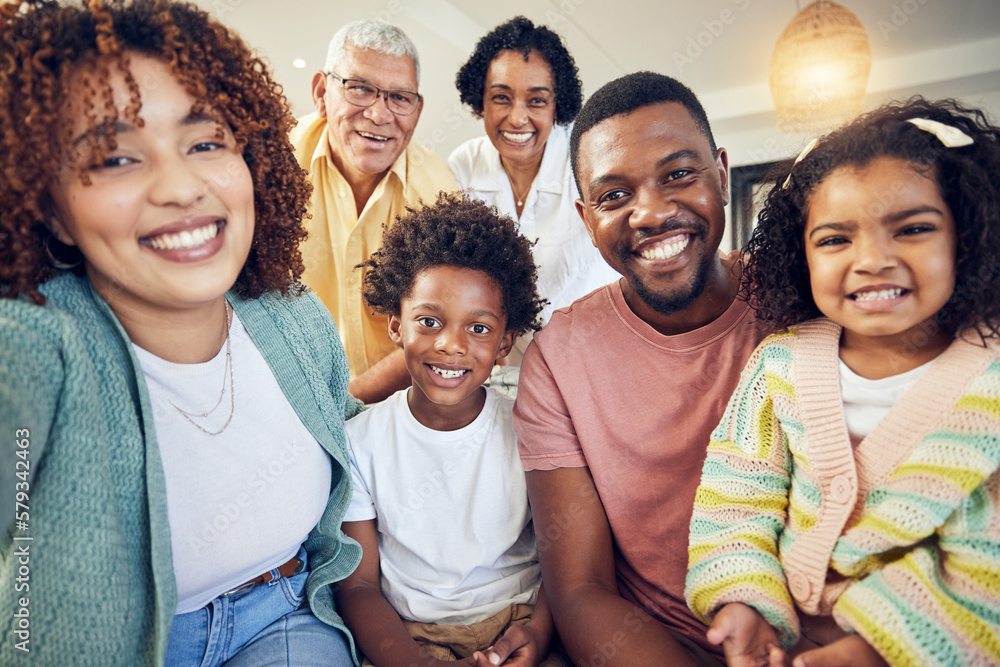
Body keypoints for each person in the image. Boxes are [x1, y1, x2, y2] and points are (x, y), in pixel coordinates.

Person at [0, 1, 363, 665]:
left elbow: (351, 431)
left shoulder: (292, 313)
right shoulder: (32, 340)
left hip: (281, 613)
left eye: (204, 143)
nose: (179, 187)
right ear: (46, 208)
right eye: (114, 158)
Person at [685, 97, 1000, 667]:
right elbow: (735, 498)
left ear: (967, 234)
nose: (873, 259)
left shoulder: (989, 384)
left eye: (912, 229)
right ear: (799, 255)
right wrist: (744, 602)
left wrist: (879, 648)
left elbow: (989, 562)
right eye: (835, 239)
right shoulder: (777, 365)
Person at [512, 71, 772, 666]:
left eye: (679, 174)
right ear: (586, 219)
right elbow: (580, 590)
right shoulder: (558, 359)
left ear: (724, 175)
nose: (651, 214)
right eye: (614, 195)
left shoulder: (807, 301)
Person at [337, 193, 570, 667]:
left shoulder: (532, 428)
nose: (450, 345)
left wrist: (539, 633)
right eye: (428, 321)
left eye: (479, 329)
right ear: (395, 325)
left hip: (522, 622)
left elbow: (563, 561)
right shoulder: (361, 441)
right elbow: (358, 586)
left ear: (506, 342)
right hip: (408, 639)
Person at [294, 19, 457, 405]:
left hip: (392, 403)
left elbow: (437, 334)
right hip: (284, 393)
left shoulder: (438, 196)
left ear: (417, 111)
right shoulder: (270, 167)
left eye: (399, 98)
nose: (379, 115)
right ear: (321, 92)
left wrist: (346, 405)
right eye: (360, 89)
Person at [449, 16, 618, 380]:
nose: (517, 118)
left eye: (536, 100)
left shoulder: (589, 158)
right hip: (500, 372)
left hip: (594, 363)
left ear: (558, 105)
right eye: (501, 98)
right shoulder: (463, 166)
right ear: (481, 100)